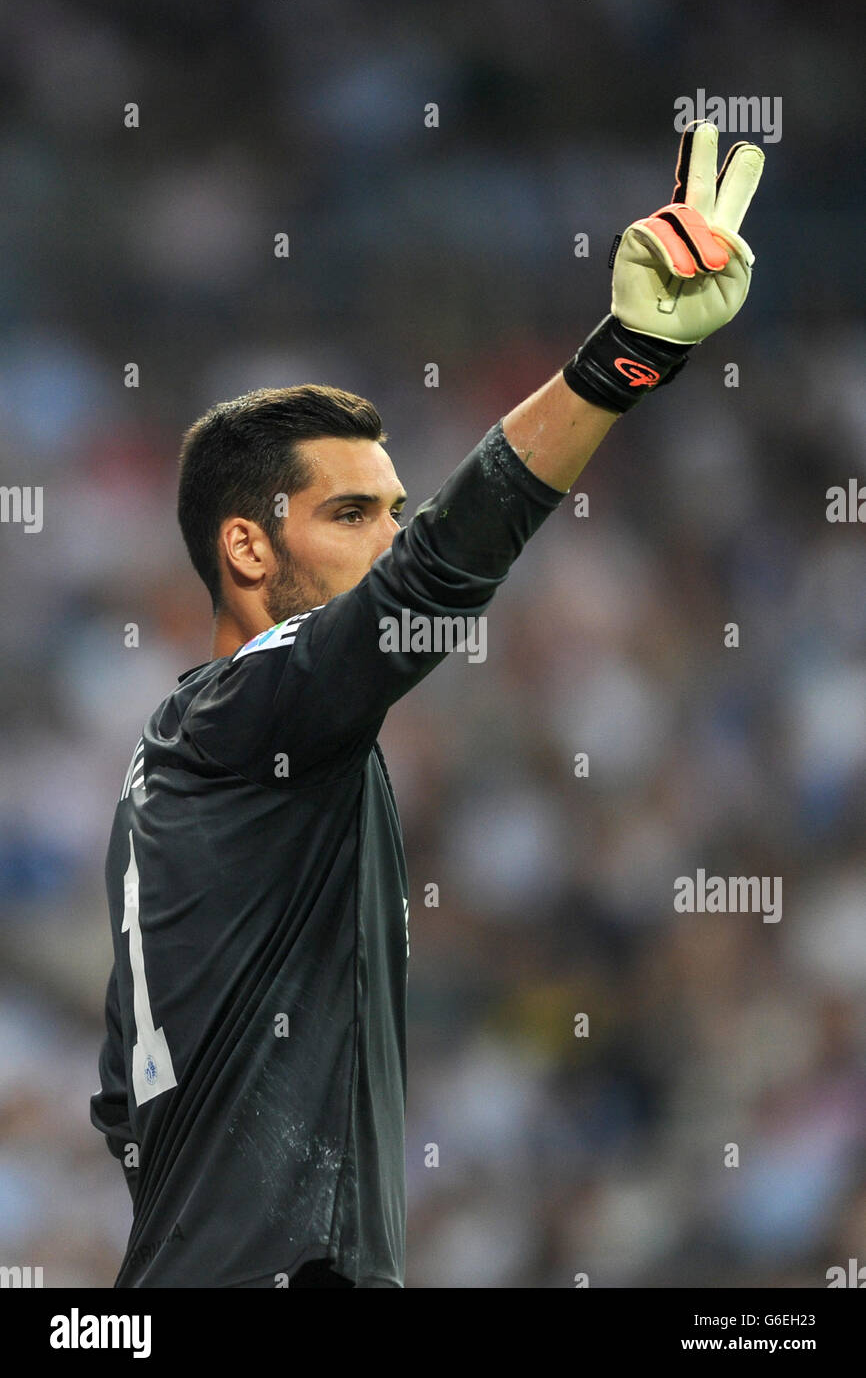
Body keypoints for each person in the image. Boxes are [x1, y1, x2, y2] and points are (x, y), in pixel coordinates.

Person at [91, 122, 763, 1288]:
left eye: (393, 510)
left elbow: (123, 1098)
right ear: (245, 547)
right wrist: (621, 361)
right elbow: (434, 578)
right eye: (351, 513)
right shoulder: (248, 715)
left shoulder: (182, 782)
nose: (388, 538)